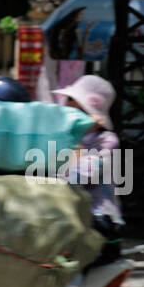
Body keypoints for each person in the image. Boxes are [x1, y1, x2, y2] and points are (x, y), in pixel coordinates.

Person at [52, 74, 123, 226]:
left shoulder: (107, 142)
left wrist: (79, 136)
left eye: (71, 100)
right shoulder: (63, 136)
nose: (65, 105)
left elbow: (74, 179)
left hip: (97, 222)